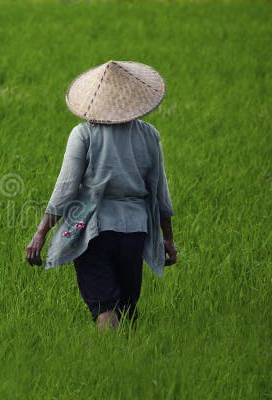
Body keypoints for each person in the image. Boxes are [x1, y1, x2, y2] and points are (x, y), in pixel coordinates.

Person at [25, 60, 178, 330]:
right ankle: (128, 360)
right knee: (128, 311)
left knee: (105, 308)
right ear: (133, 100)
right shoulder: (149, 135)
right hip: (134, 232)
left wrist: (41, 233)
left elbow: (66, 188)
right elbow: (160, 193)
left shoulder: (83, 133)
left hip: (93, 232)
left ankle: (109, 362)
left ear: (93, 100)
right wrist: (168, 238)